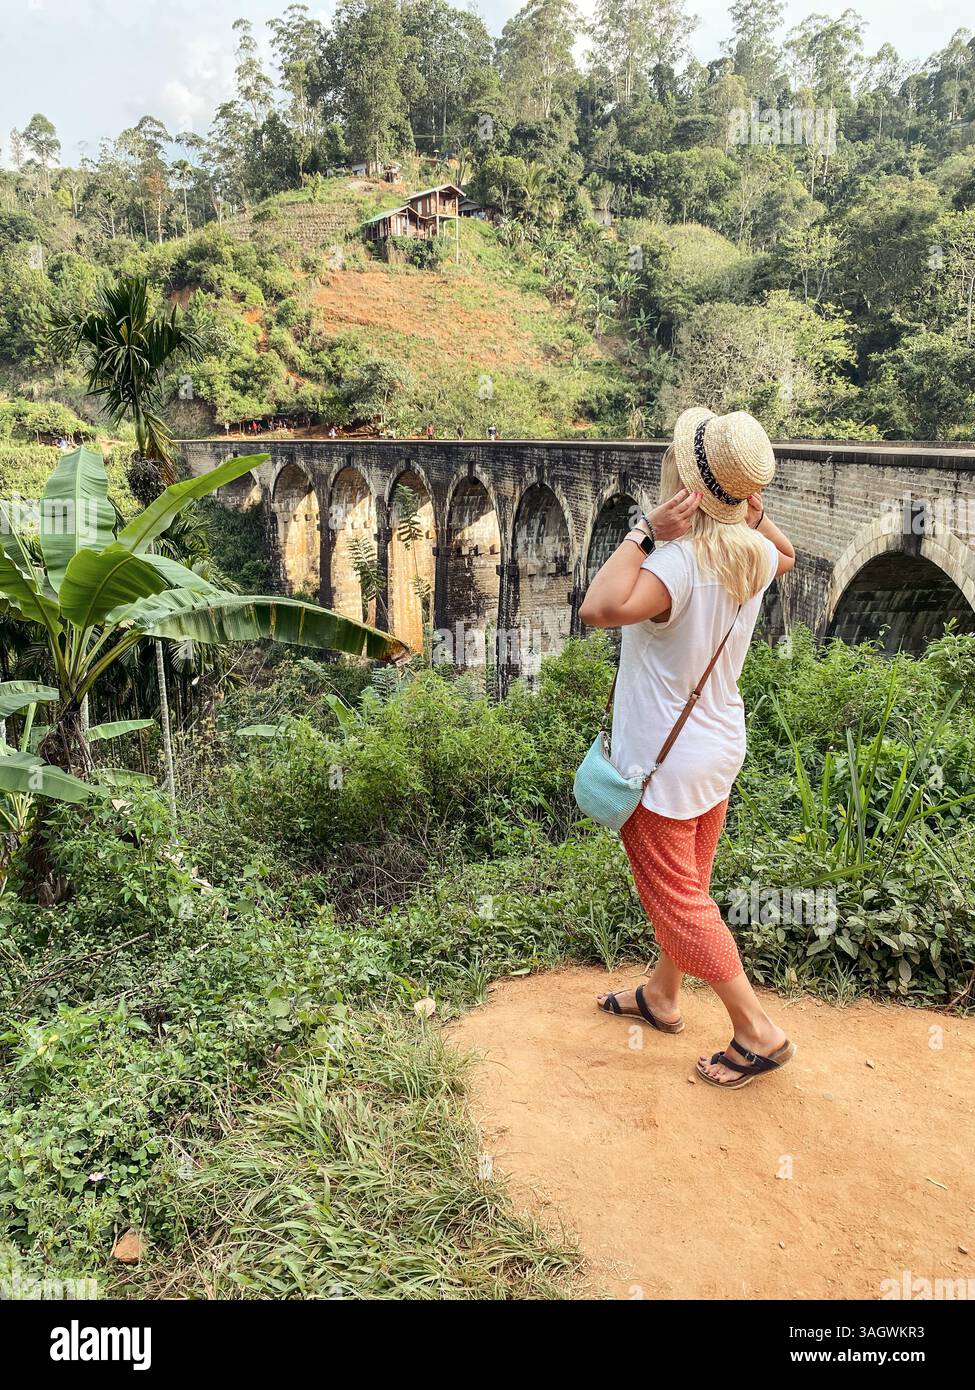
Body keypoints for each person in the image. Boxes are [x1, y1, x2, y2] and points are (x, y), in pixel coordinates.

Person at [579, 408, 797, 1090]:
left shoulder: (674, 561)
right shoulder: (754, 554)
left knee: (677, 899)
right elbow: (786, 556)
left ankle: (756, 1030)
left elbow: (598, 608)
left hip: (659, 764)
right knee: (689, 883)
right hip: (717, 746)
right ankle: (663, 995)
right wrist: (751, 518)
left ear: (686, 485)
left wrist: (645, 532)